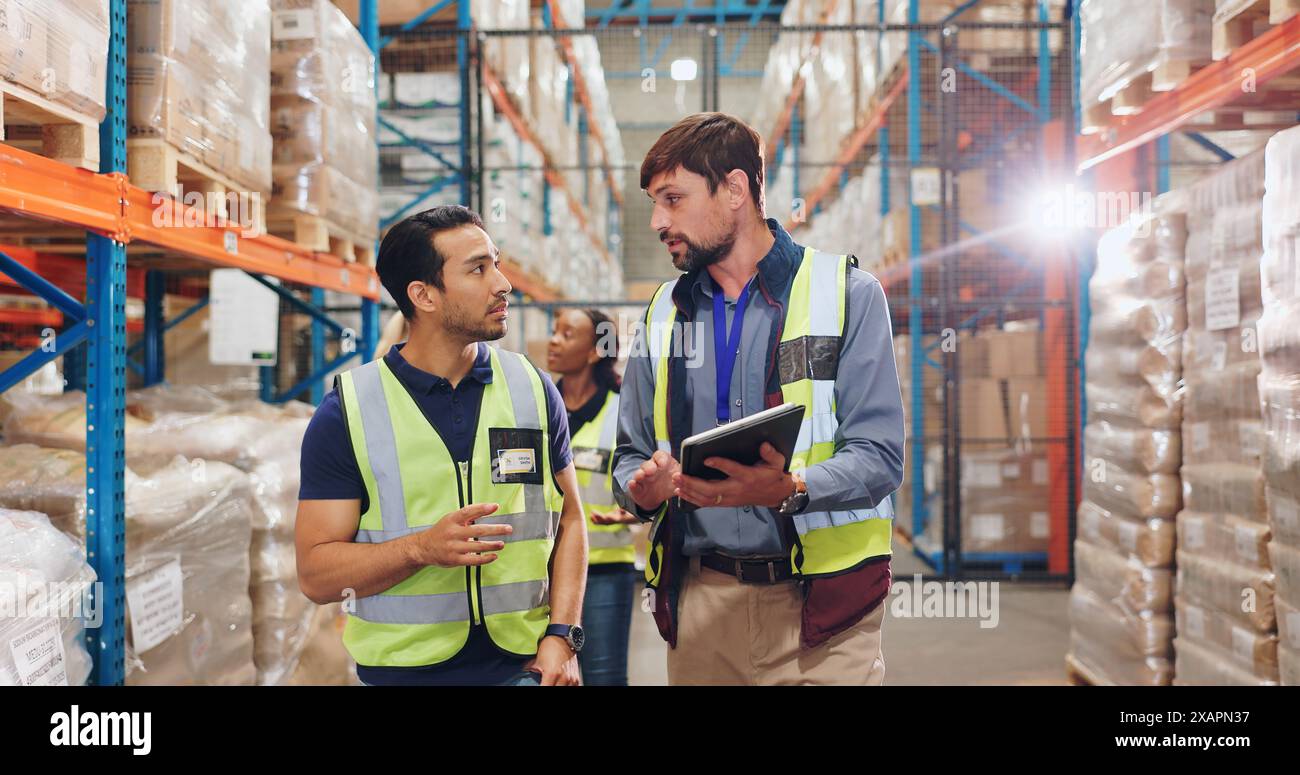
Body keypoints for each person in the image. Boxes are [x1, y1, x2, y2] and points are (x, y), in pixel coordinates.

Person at [612, 113, 905, 686]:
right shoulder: (662, 314)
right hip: (702, 605)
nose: (657, 221)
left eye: (673, 199)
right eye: (654, 202)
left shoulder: (848, 295)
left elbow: (880, 455)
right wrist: (639, 490)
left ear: (736, 189)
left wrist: (792, 489)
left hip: (826, 613)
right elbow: (630, 453)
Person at [295, 205, 588, 686]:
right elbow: (316, 575)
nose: (503, 283)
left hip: (523, 669)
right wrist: (419, 549)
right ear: (423, 295)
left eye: (496, 262)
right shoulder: (347, 411)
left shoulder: (532, 389)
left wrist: (562, 635)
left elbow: (571, 517)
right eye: (478, 268)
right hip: (404, 674)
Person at [547, 308, 639, 686]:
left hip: (604, 569)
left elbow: (646, 480)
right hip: (541, 572)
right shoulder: (535, 404)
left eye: (567, 334)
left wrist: (637, 511)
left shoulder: (623, 410)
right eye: (554, 332)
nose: (554, 340)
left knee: (604, 678)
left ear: (594, 351)